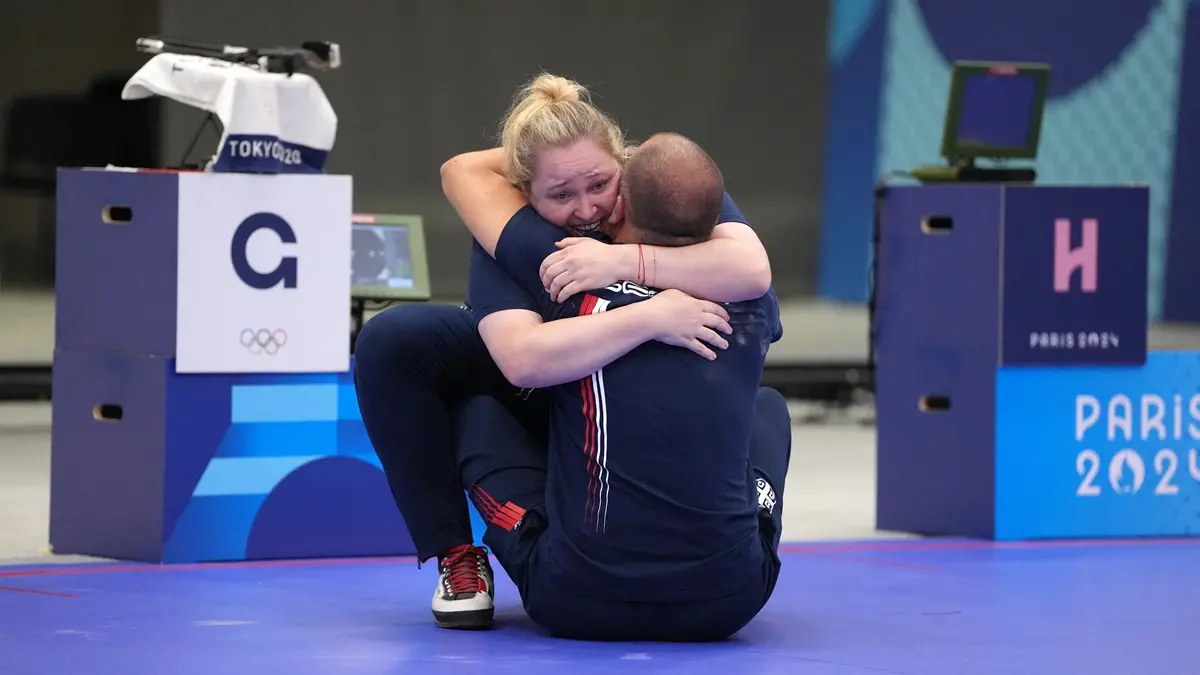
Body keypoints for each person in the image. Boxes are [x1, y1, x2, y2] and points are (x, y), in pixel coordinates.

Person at [352, 73, 775, 629]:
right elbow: (520, 354)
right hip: (547, 375)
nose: (586, 210)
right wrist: (649, 315)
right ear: (523, 193)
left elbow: (753, 269)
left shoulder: (664, 188)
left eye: (600, 184)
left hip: (630, 407)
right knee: (400, 344)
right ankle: (457, 555)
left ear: (625, 168)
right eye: (559, 195)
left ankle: (730, 525)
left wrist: (624, 263)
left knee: (767, 408)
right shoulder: (516, 236)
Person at [452, 131, 791, 641]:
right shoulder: (753, 302)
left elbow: (462, 172)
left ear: (618, 207)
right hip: (728, 601)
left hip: (574, 600)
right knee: (767, 409)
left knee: (476, 409)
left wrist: (548, 157)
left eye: (602, 183)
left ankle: (462, 555)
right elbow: (750, 265)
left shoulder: (568, 277)